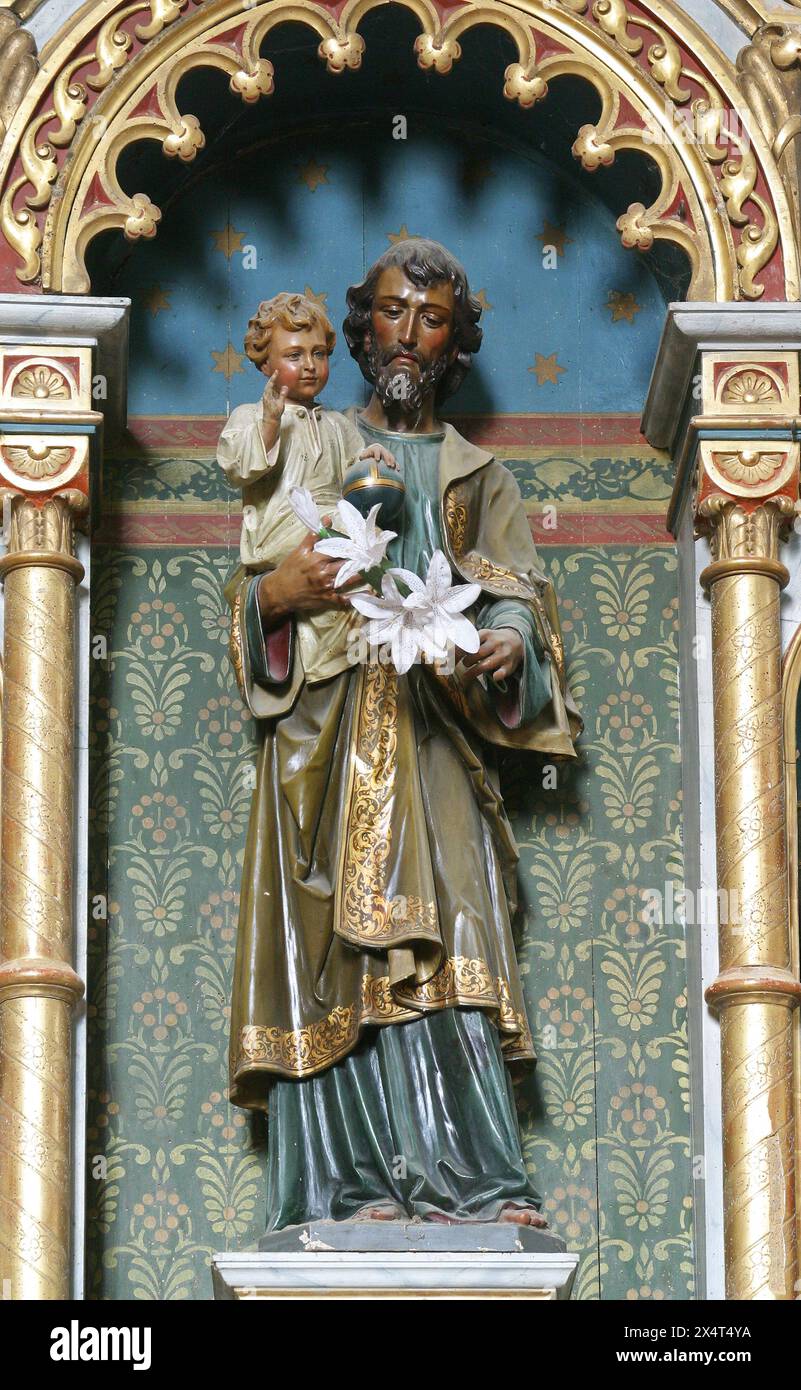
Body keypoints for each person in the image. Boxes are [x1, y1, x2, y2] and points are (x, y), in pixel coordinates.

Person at [223, 240, 581, 1229]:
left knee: (456, 929)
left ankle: (473, 1179)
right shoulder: (313, 442)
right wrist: (276, 598)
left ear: (453, 339)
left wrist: (507, 646)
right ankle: (342, 1184)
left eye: (430, 318)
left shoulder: (478, 473)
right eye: (390, 313)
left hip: (435, 734)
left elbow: (519, 597)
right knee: (330, 943)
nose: (406, 336)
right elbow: (254, 578)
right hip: (327, 736)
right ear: (362, 325)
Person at [217, 290, 393, 685]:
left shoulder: (337, 425)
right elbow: (237, 466)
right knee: (344, 556)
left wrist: (373, 455)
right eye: (294, 356)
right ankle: (319, 657)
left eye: (319, 354)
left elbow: (356, 467)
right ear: (266, 363)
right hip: (284, 528)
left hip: (335, 523)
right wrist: (269, 422)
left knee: (372, 564)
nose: (310, 366)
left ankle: (347, 657)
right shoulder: (252, 416)